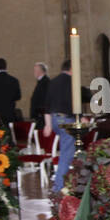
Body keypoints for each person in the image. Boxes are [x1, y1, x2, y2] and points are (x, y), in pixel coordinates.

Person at [44, 59, 77, 192]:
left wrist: (48, 125)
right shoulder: (71, 82)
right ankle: (59, 187)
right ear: (72, 69)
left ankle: (69, 182)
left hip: (54, 119)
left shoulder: (53, 81)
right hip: (66, 119)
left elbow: (46, 104)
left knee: (67, 151)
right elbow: (73, 104)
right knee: (66, 154)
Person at [29, 61, 50, 129]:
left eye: (35, 70)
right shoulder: (41, 81)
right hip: (39, 115)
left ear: (40, 71)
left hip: (41, 115)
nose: (34, 72)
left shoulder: (45, 82)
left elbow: (44, 99)